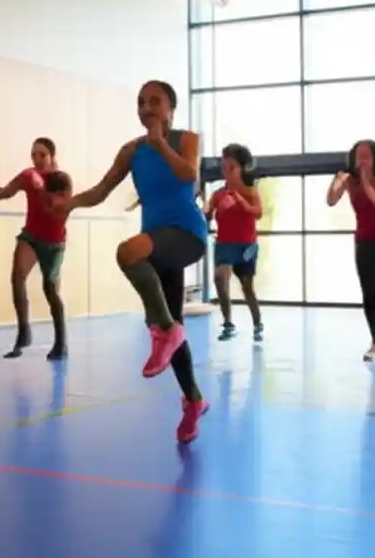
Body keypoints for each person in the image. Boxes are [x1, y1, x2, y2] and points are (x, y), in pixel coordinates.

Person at [60, 80, 209, 442]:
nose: (147, 108)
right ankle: (193, 400)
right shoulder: (131, 151)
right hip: (156, 245)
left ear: (171, 108)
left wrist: (160, 144)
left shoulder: (186, 138)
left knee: (126, 253)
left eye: (155, 102)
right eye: (141, 103)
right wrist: (69, 203)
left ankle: (166, 331)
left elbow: (189, 174)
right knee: (168, 328)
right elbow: (101, 190)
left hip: (186, 234)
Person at [0, 138, 71, 360]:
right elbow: (2, 194)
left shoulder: (62, 180)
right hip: (31, 236)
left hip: (53, 241)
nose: (37, 159)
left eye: (42, 155)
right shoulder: (27, 175)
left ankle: (61, 343)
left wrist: (41, 188)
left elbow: (58, 210)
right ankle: (24, 330)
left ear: (52, 157)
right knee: (17, 276)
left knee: (50, 290)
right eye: (34, 155)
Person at [327, 140, 375, 362]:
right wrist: (336, 181)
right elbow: (331, 201)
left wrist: (368, 183)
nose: (361, 161)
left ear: (374, 159)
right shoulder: (350, 181)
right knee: (368, 293)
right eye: (358, 156)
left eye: (366, 156)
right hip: (364, 239)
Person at [205, 143, 263, 342]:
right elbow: (207, 215)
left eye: (232, 167)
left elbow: (258, 213)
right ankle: (228, 322)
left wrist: (240, 201)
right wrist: (203, 210)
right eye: (224, 167)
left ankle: (257, 323)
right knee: (220, 277)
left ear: (242, 169)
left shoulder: (250, 191)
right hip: (225, 244)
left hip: (246, 245)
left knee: (247, 287)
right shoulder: (218, 194)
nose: (227, 172)